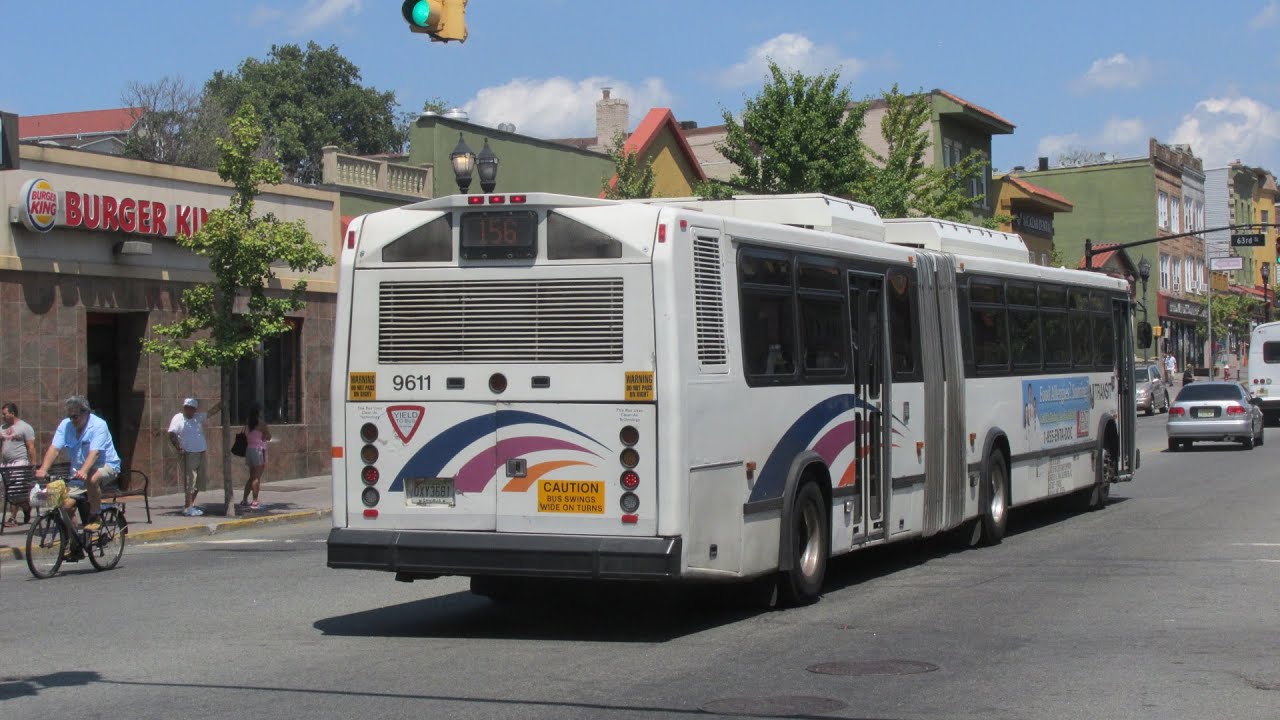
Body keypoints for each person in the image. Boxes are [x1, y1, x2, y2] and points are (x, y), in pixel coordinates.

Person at [34, 395, 121, 532]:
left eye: (75, 416)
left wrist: (85, 471)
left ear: (86, 412)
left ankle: (95, 515)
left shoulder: (99, 425)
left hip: (106, 465)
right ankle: (75, 543)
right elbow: (54, 449)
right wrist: (43, 469)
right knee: (66, 506)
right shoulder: (65, 425)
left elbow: (95, 453)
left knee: (92, 479)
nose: (72, 420)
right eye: (70, 417)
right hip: (79, 473)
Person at [169, 397, 213, 517]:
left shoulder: (198, 417)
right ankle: (188, 506)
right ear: (184, 408)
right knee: (191, 480)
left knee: (200, 480)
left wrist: (223, 402)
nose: (189, 410)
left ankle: (190, 504)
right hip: (189, 452)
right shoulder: (178, 418)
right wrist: (179, 447)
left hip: (201, 451)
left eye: (191, 408)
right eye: (186, 407)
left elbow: (212, 412)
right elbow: (171, 433)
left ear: (195, 409)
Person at [1, 402, 38, 526]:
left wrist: (33, 466)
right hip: (5, 464)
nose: (3, 416)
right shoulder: (2, 428)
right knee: (6, 490)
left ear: (12, 413)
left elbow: (31, 447)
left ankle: (13, 518)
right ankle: (26, 507)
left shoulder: (25, 427)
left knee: (15, 490)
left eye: (5, 414)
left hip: (20, 462)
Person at [239, 404, 272, 510]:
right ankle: (255, 500)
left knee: (252, 476)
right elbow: (268, 436)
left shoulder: (248, 423)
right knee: (256, 477)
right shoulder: (260, 424)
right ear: (259, 413)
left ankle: (244, 499)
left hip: (249, 450)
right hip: (259, 451)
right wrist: (264, 435)